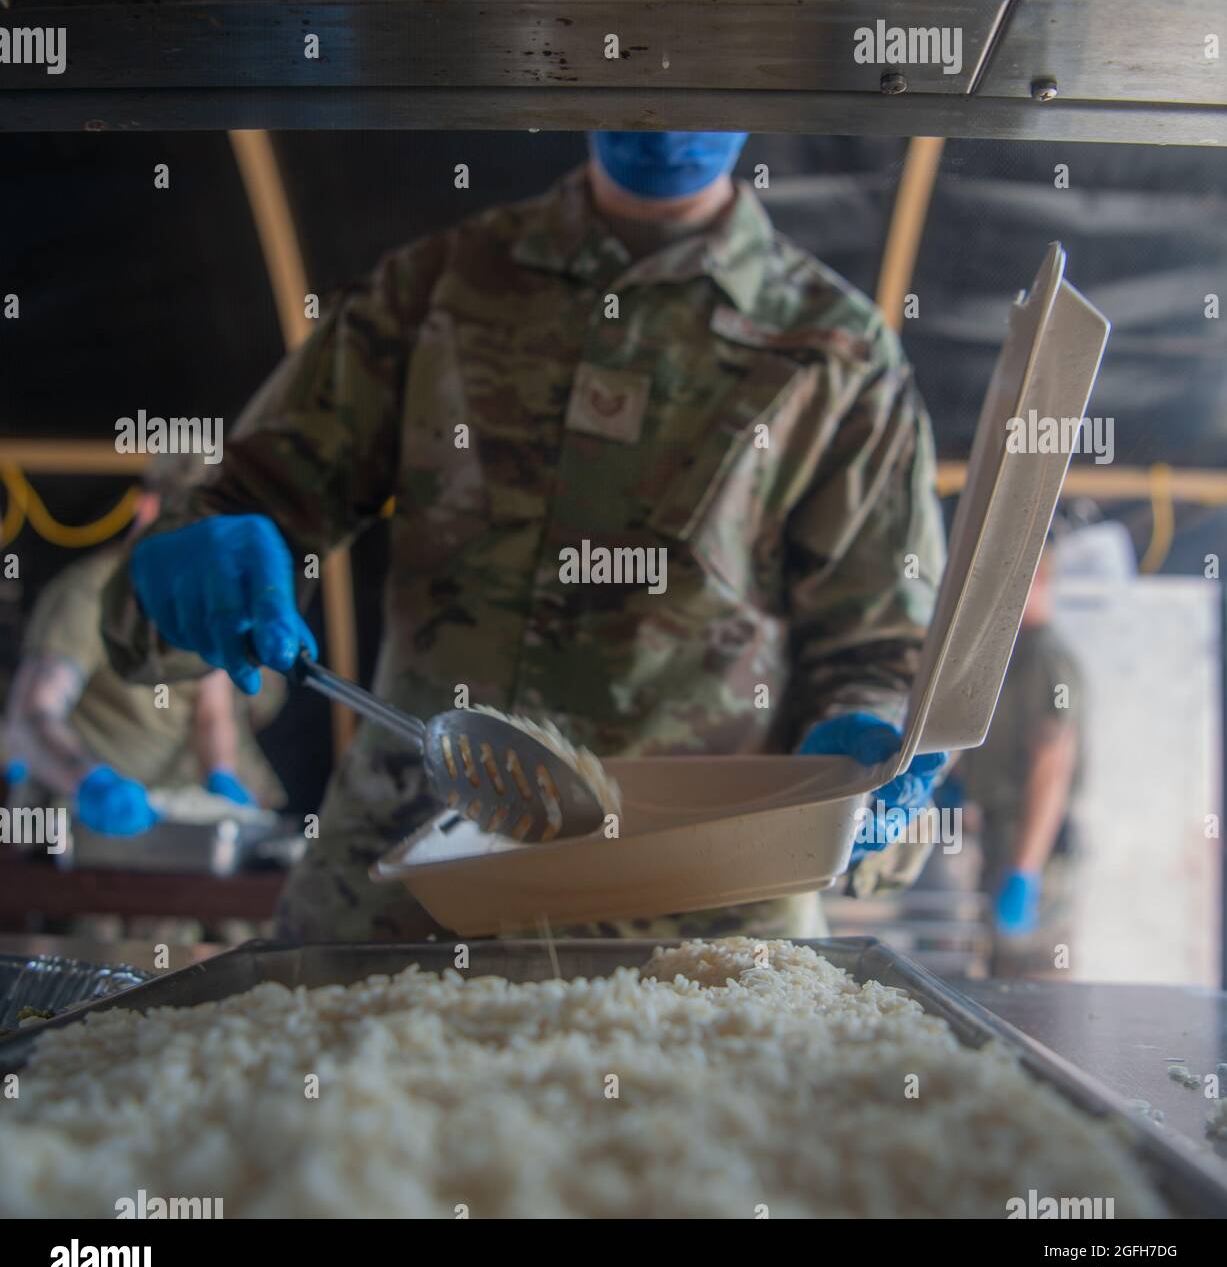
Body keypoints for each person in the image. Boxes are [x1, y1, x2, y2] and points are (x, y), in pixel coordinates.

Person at [102, 131, 947, 941]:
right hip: (400, 890)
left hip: (699, 918)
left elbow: (883, 647)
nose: (662, 101)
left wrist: (873, 745)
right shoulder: (437, 287)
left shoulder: (839, 354)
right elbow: (243, 511)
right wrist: (188, 564)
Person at [3, 456, 284, 834]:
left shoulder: (202, 592)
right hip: (92, 825)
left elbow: (211, 711)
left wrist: (221, 777)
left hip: (185, 819)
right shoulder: (91, 594)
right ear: (150, 510)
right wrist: (91, 782)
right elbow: (32, 716)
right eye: (196, 526)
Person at [953, 547, 1082, 954]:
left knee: (1028, 985)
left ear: (1040, 583)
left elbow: (1053, 768)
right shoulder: (1014, 654)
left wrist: (1024, 872)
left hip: (1031, 848)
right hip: (1000, 838)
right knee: (995, 972)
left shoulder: (1046, 659)